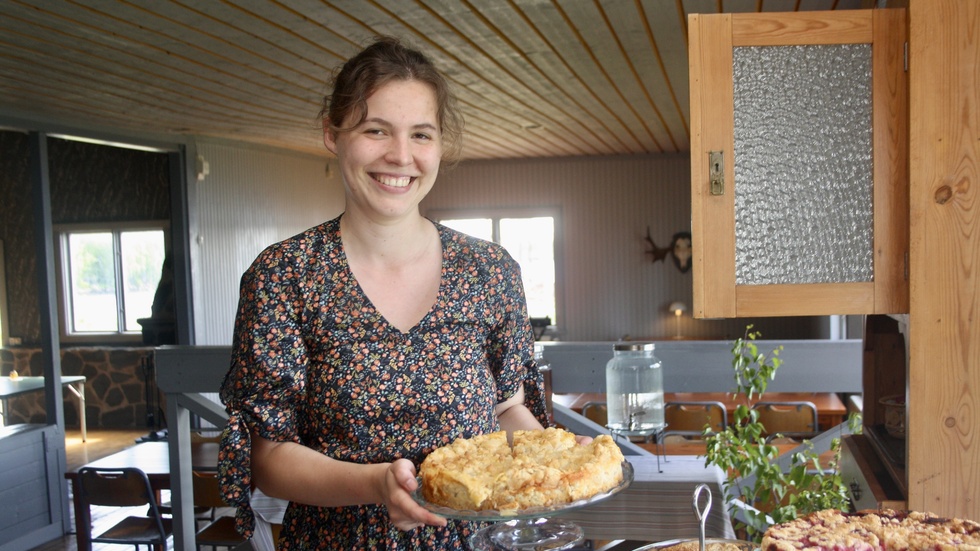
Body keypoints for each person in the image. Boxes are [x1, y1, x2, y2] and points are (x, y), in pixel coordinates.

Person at [217, 36, 555, 549]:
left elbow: (508, 409)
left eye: (421, 134)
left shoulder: (490, 271)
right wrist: (377, 484)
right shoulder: (285, 275)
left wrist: (560, 458)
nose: (400, 156)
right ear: (332, 134)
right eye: (376, 130)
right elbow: (268, 459)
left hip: (479, 540)